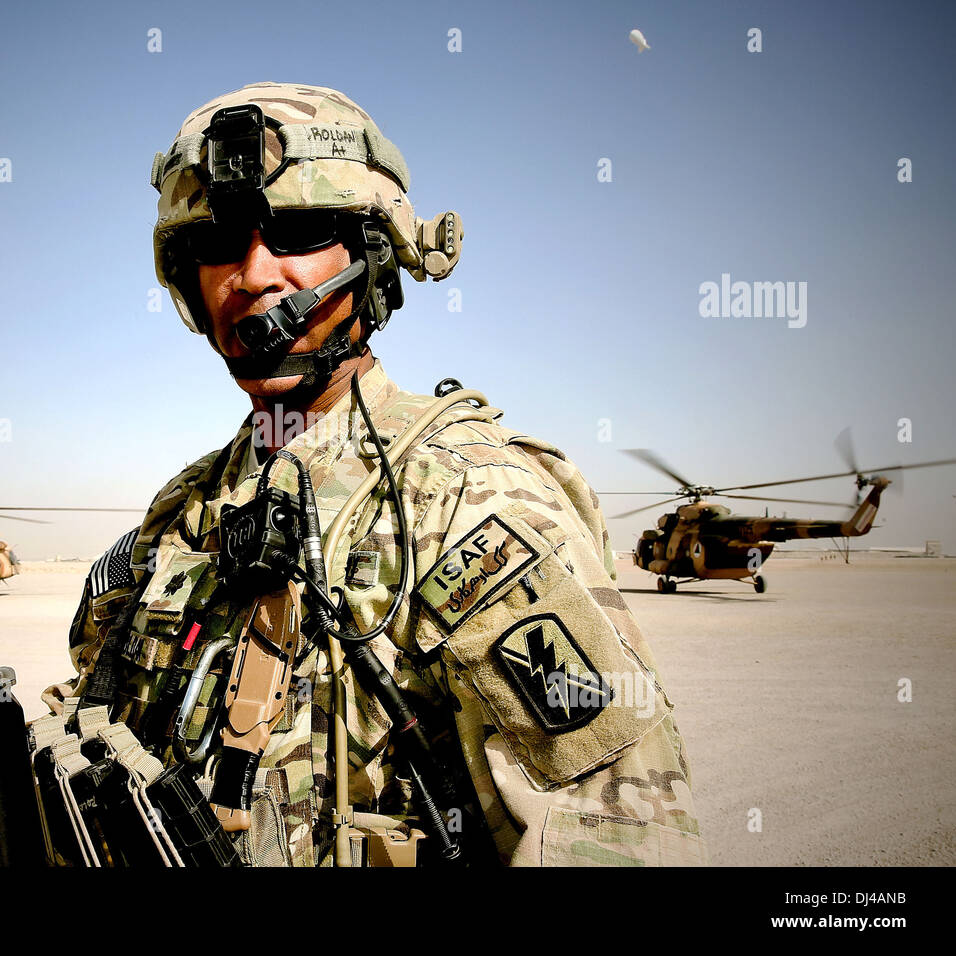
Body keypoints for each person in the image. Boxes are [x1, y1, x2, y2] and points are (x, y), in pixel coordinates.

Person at [55, 82, 705, 866]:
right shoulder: (185, 509)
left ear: (372, 257)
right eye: (220, 242)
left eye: (297, 233)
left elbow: (624, 835)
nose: (255, 274)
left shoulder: (469, 498)